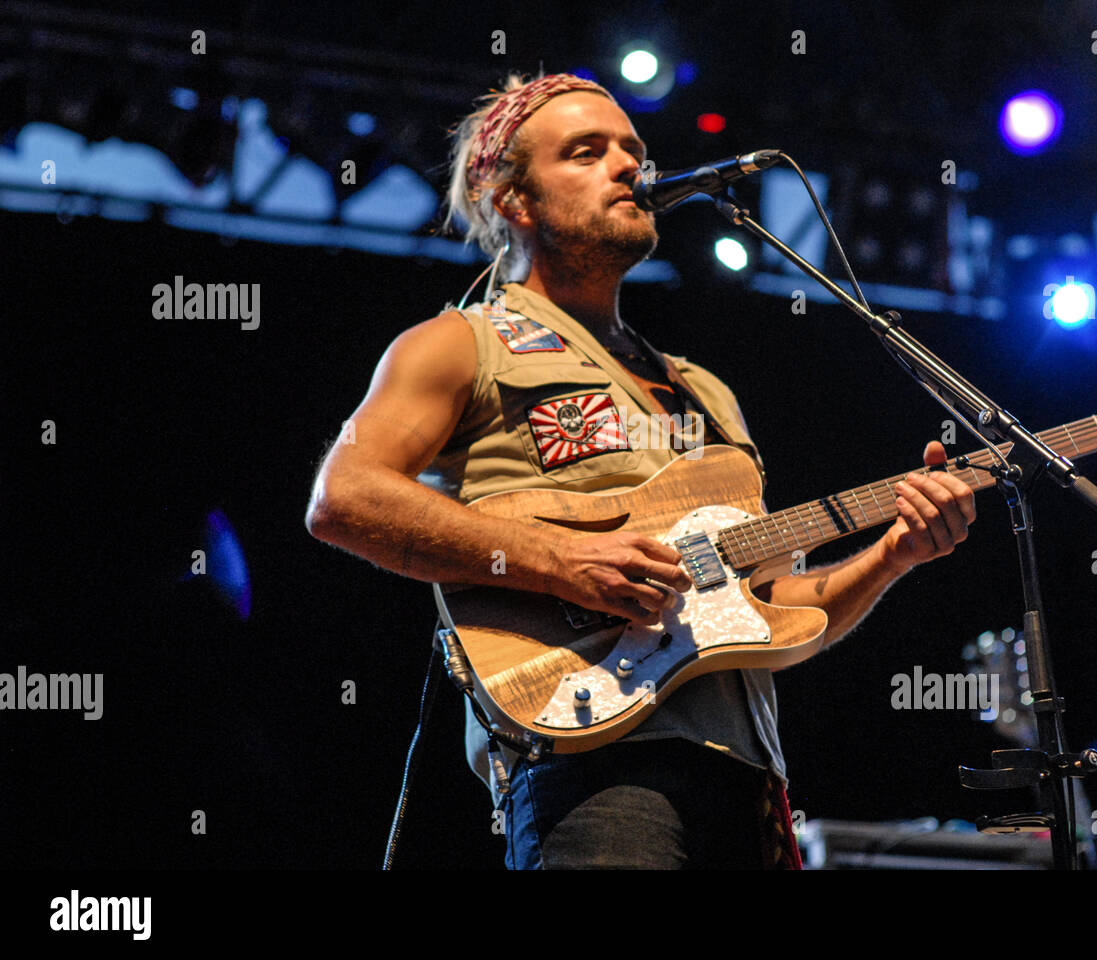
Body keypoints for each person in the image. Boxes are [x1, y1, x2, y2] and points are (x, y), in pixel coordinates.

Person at [304, 72, 976, 869]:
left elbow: (771, 610)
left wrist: (892, 556)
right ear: (510, 199)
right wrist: (562, 561)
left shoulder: (706, 392)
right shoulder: (460, 344)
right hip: (593, 768)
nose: (628, 166)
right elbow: (344, 497)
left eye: (633, 149)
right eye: (587, 153)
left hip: (749, 782)